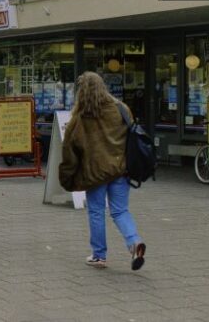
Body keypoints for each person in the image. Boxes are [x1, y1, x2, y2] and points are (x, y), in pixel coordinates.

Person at [59, 71, 146, 271]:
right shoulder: (121, 109)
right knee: (120, 210)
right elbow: (131, 135)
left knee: (97, 212)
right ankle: (134, 242)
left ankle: (99, 256)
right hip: (120, 169)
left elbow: (70, 151)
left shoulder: (80, 118)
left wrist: (67, 177)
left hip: (95, 173)